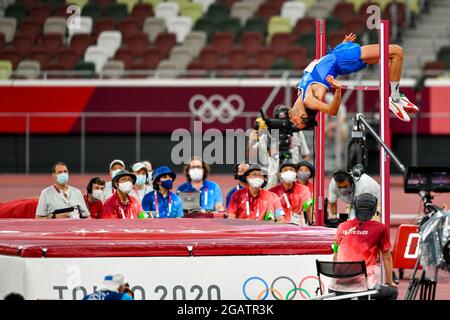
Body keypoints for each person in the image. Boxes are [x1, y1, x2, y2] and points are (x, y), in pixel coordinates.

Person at [289, 33, 419, 129]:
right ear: (303, 116)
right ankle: (394, 96)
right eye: (295, 122)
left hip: (339, 55)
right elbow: (332, 111)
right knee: (397, 51)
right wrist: (338, 90)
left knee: (391, 57)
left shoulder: (301, 90)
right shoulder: (309, 100)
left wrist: (342, 45)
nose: (291, 120)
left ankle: (395, 97)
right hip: (343, 59)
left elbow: (321, 65)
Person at [330, 193, 398, 300]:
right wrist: (389, 281)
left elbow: (335, 255)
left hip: (336, 287)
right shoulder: (380, 228)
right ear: (374, 210)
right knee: (392, 292)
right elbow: (387, 257)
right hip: (364, 288)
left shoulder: (342, 227)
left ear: (355, 208)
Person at [248, 105, 310, 188]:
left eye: (285, 120)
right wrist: (251, 141)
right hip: (272, 178)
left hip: (292, 177)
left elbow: (305, 155)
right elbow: (252, 156)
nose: (282, 123)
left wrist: (302, 173)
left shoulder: (297, 133)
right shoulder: (268, 134)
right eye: (279, 120)